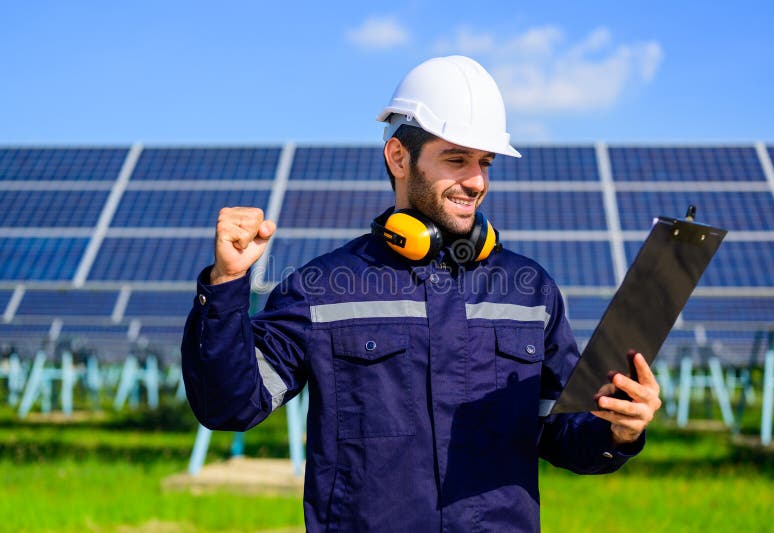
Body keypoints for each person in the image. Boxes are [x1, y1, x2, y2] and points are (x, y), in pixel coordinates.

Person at [182, 55, 661, 532]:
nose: (476, 181)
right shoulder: (322, 289)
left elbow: (561, 432)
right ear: (398, 158)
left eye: (484, 162)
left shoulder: (529, 291)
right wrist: (226, 286)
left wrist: (617, 428)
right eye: (456, 159)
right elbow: (229, 404)